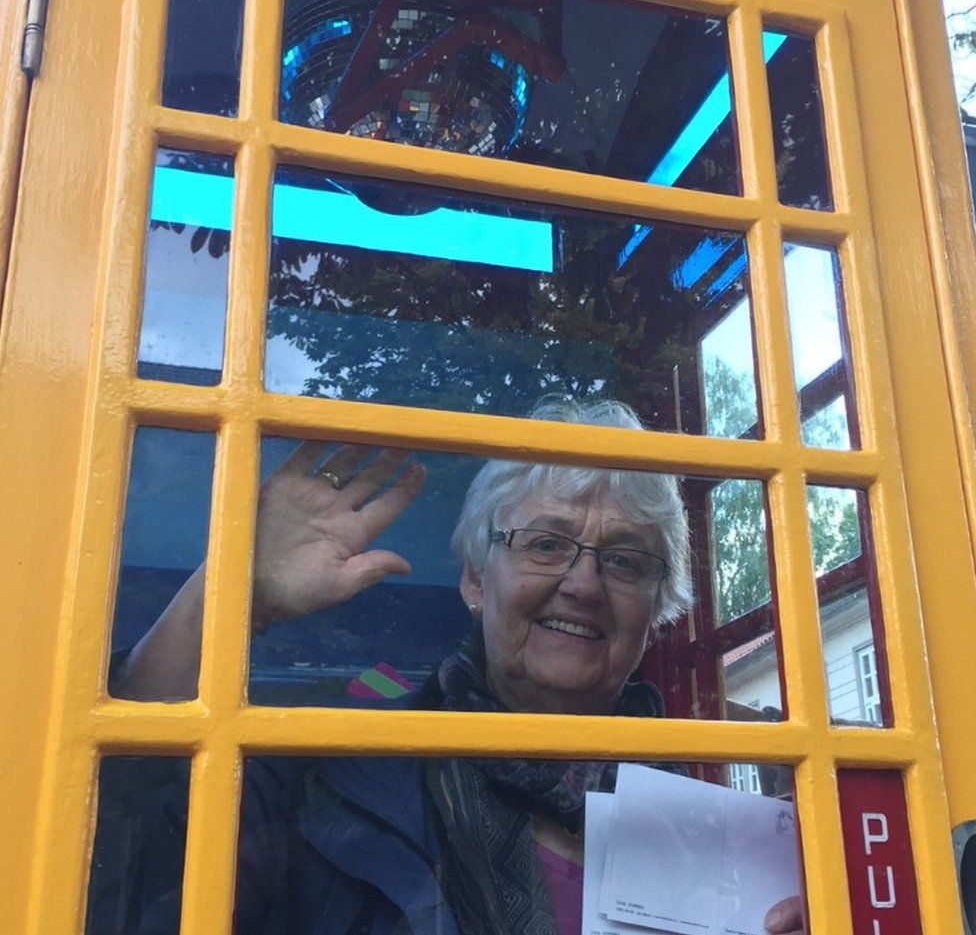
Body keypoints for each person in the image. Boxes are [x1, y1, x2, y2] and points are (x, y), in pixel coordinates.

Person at [106, 398, 804, 935]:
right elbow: (122, 849)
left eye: (625, 560)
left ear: (657, 607)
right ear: (475, 579)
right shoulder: (330, 773)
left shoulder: (730, 835)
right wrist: (236, 590)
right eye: (544, 543)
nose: (584, 584)